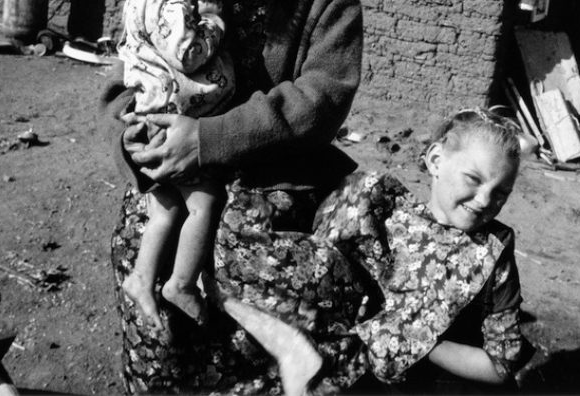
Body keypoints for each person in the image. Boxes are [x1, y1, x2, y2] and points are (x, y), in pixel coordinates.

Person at [103, 0, 364, 393]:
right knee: (156, 320)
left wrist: (210, 137)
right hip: (175, 171)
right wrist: (130, 134)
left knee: (266, 334)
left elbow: (323, 94)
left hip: (274, 182)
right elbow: (129, 68)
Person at [210, 107, 535, 394]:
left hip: (382, 372)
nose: (483, 201)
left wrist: (416, 339)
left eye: (500, 193)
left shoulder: (490, 250)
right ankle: (278, 339)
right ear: (436, 160)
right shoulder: (379, 204)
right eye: (473, 179)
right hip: (322, 333)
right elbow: (319, 268)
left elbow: (500, 364)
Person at [118, 0, 236, 333]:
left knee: (166, 208)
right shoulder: (171, 4)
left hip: (150, 116)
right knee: (203, 201)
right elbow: (188, 55)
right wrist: (213, 17)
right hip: (171, 122)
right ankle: (181, 283)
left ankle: (143, 277)